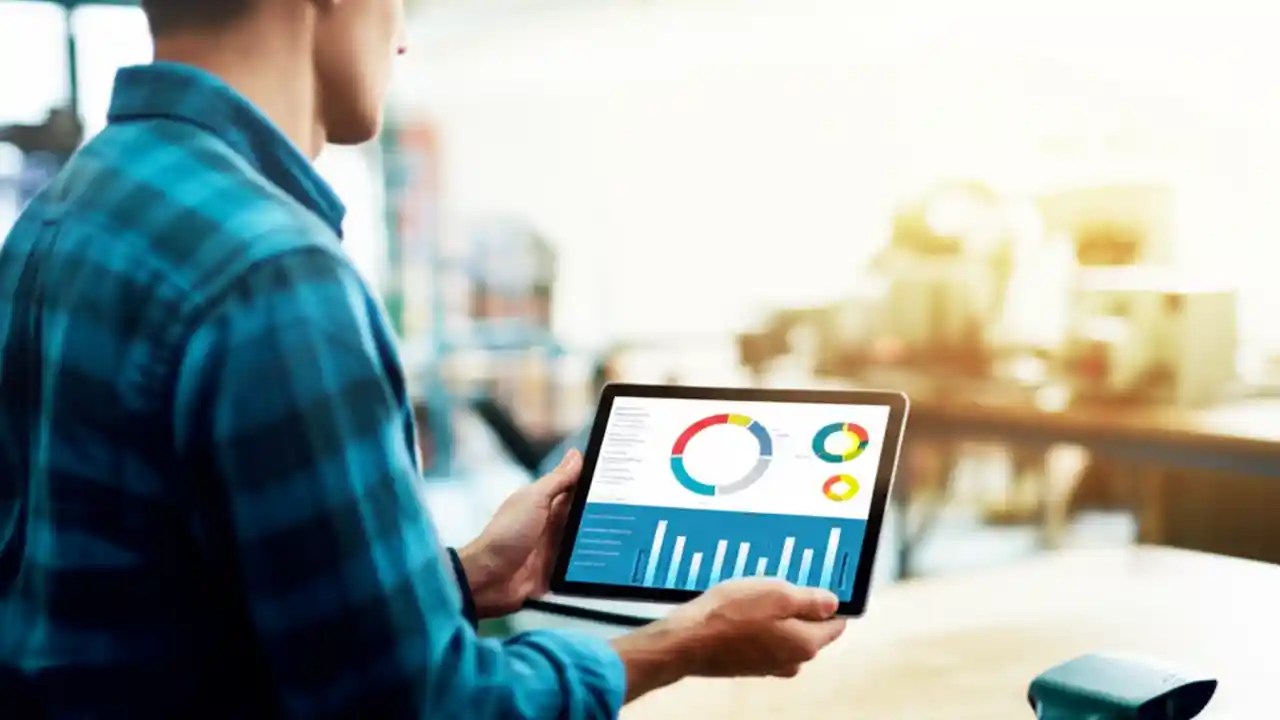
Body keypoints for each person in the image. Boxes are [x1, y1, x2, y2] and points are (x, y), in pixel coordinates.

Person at [0, 1, 847, 717]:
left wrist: (461, 578)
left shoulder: (69, 208)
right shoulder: (274, 272)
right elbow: (417, 703)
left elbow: (174, 601)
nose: (401, 36)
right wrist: (680, 643)